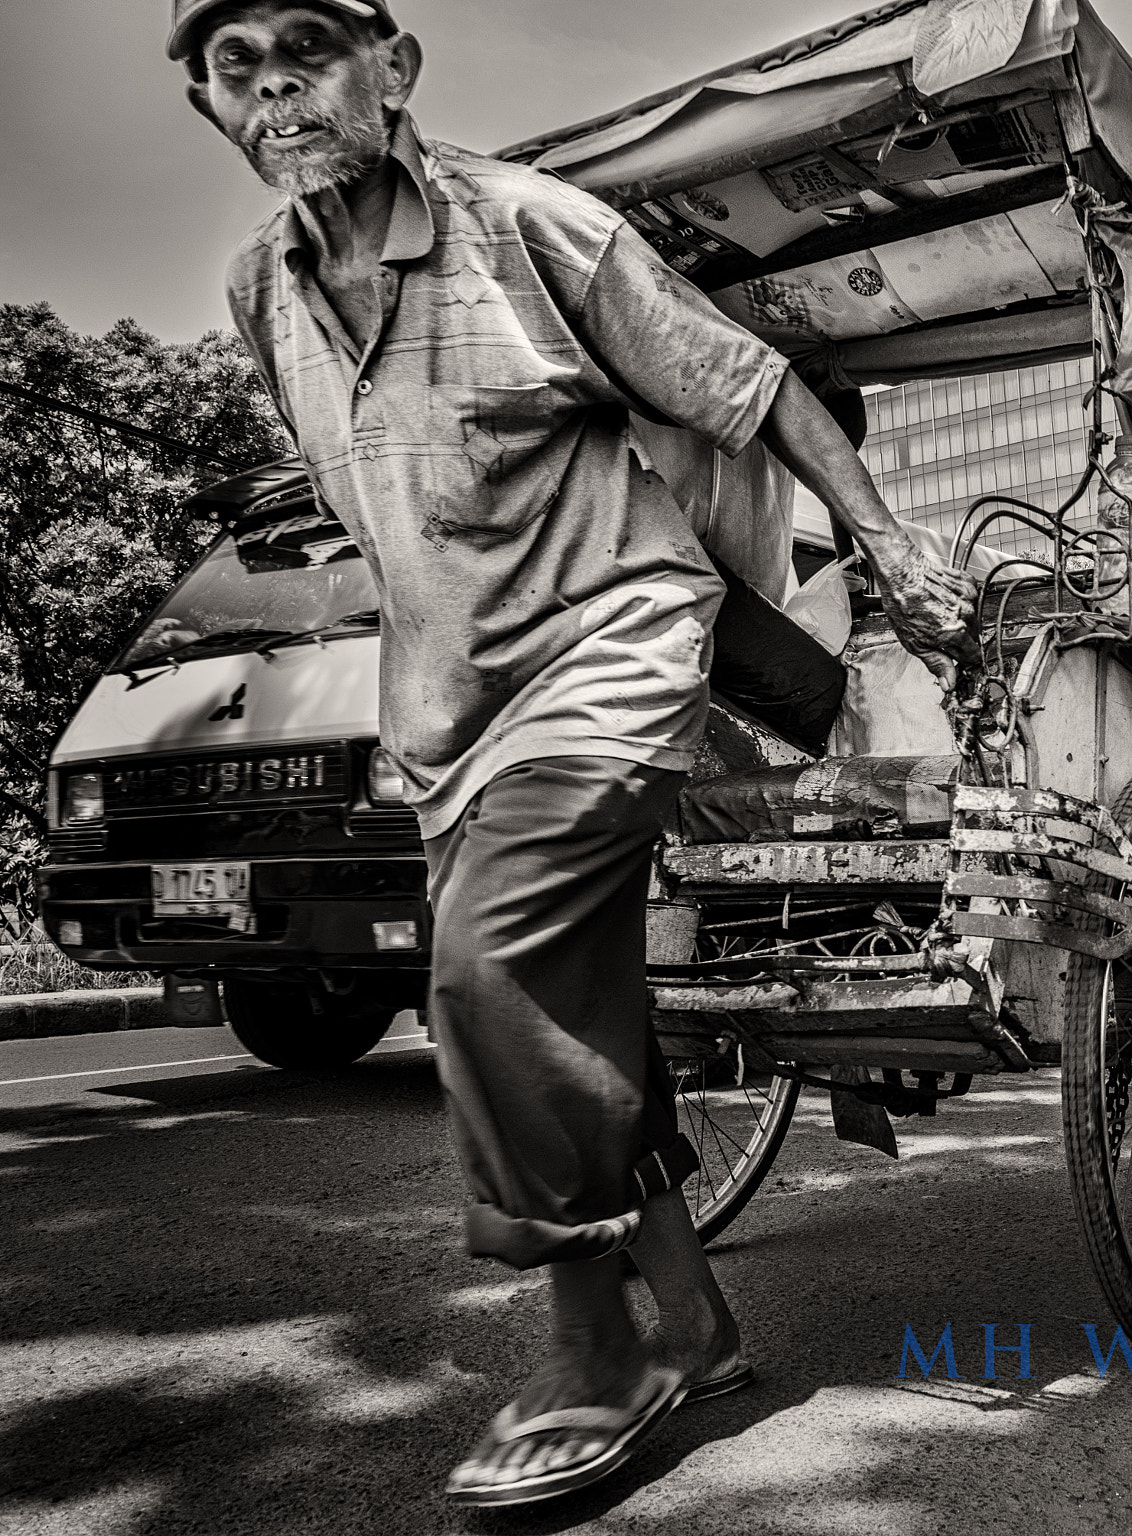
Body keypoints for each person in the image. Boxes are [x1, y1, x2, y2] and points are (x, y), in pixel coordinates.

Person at [171, 0, 977, 1506]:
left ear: (395, 70)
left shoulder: (534, 226)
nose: (274, 81)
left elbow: (756, 389)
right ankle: (699, 1325)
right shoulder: (257, 292)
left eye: (310, 43)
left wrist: (888, 547)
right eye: (232, 61)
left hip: (613, 646)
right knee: (575, 1010)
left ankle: (604, 1351)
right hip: (445, 710)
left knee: (486, 976)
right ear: (211, 105)